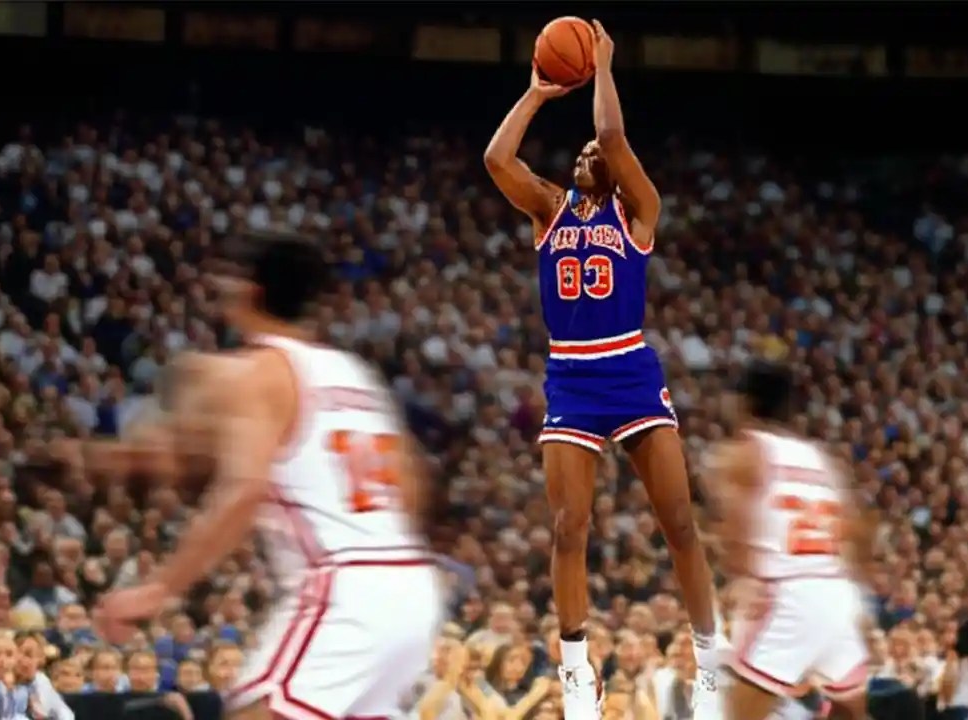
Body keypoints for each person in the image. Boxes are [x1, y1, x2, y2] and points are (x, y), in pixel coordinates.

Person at [93, 231, 441, 720]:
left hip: (344, 587)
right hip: (411, 587)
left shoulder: (260, 372)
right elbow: (413, 485)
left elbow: (243, 490)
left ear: (250, 292)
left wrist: (158, 589)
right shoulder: (354, 372)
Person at [483, 20, 721, 717]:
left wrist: (605, 68)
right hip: (573, 378)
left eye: (594, 150)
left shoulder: (639, 214)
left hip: (631, 372)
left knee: (678, 521)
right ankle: (577, 675)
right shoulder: (550, 209)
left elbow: (613, 138)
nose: (586, 150)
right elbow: (498, 159)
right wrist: (533, 94)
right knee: (568, 528)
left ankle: (710, 666)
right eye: (582, 148)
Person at [703, 361, 875, 720]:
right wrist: (855, 586)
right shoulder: (820, 459)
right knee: (851, 713)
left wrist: (742, 577)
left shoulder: (743, 452)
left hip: (785, 593)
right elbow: (861, 527)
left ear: (744, 403)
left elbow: (734, 527)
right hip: (836, 591)